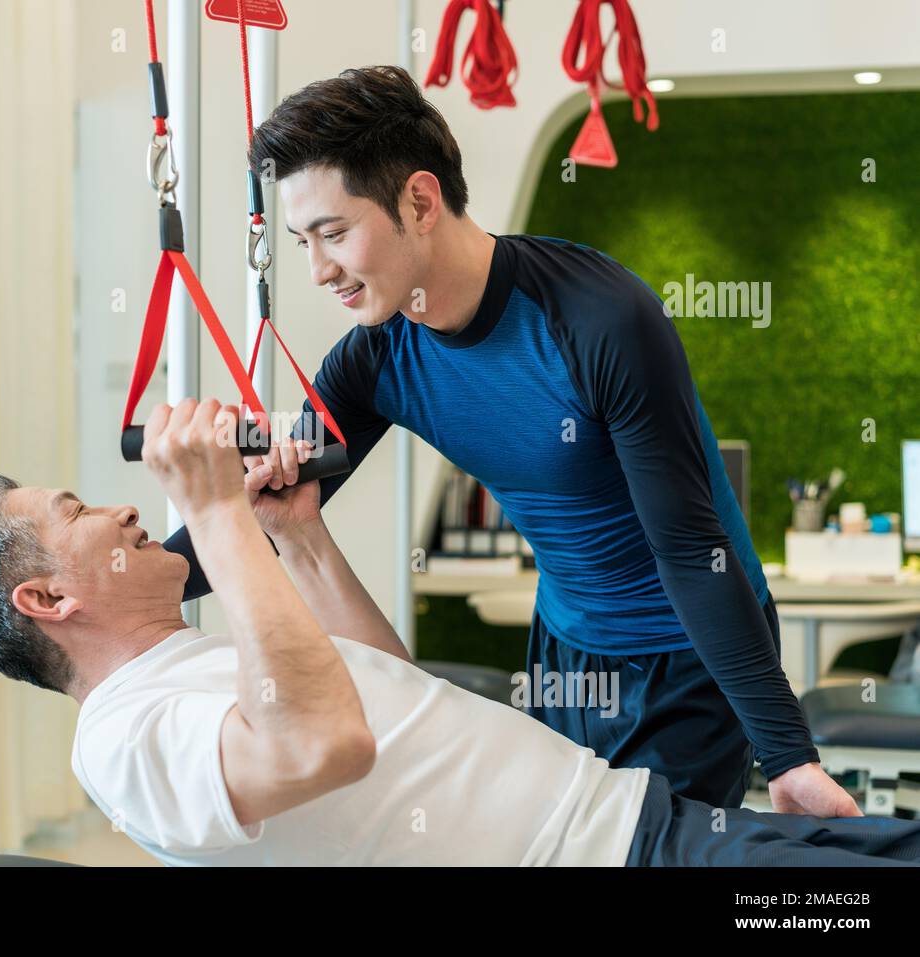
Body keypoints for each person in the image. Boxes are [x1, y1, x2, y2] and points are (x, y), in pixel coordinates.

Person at [160, 65, 852, 817]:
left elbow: (691, 550)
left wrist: (788, 755)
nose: (319, 269)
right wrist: (109, 595)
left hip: (686, 653)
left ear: (420, 200)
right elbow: (266, 509)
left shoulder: (599, 321)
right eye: (301, 241)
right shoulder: (374, 358)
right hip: (562, 645)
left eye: (333, 233)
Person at [0, 400, 920, 866]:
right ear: (45, 601)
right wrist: (214, 513)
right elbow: (321, 743)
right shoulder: (120, 739)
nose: (122, 512)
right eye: (77, 512)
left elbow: (386, 698)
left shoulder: (187, 659)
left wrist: (295, 539)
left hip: (642, 823)